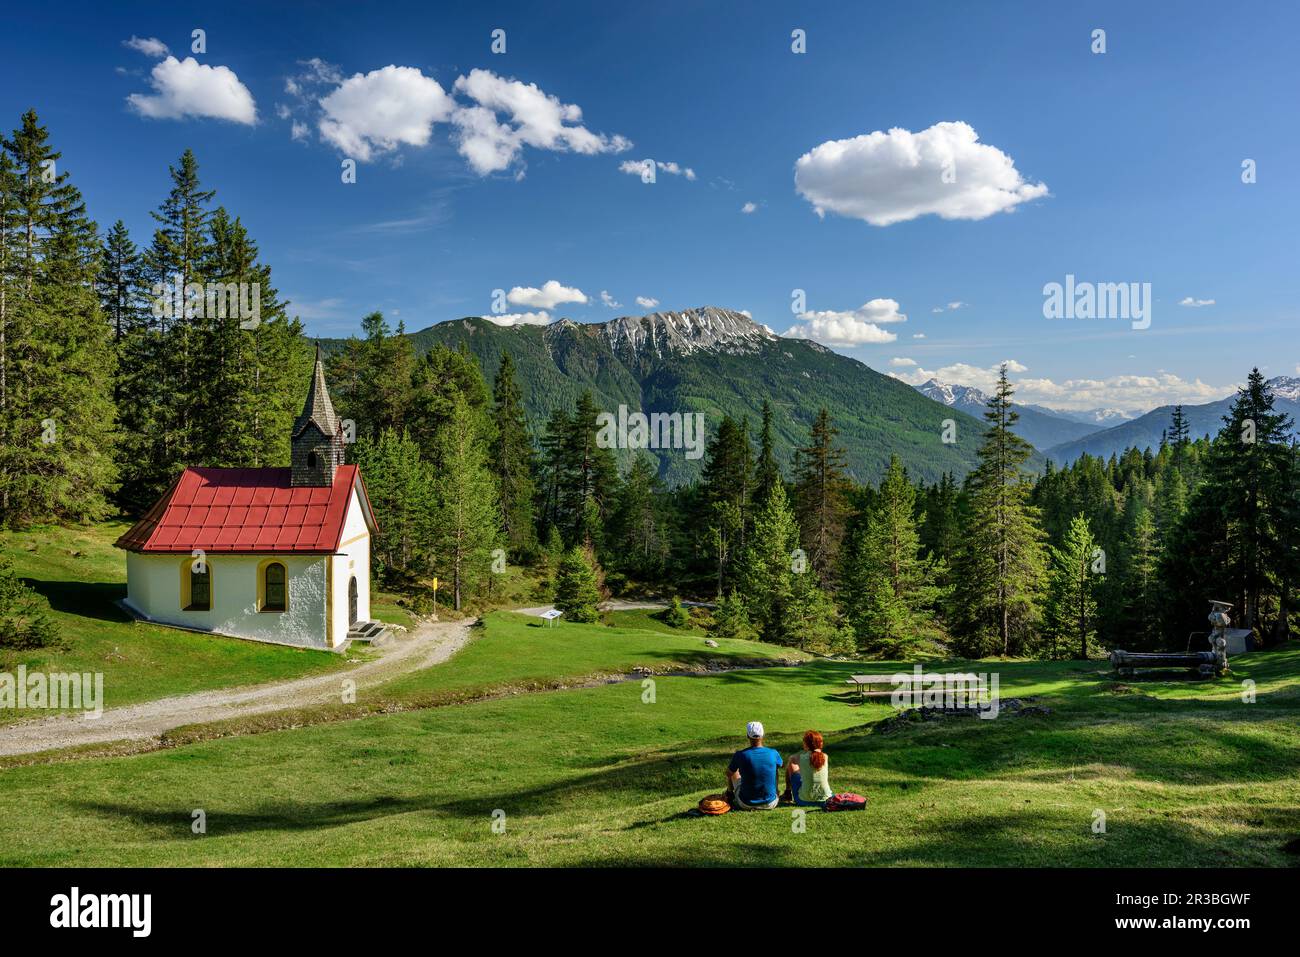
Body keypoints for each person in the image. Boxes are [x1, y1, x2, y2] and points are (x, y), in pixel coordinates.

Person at [726, 720, 783, 810]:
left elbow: (728, 773)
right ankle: (776, 790)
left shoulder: (740, 754)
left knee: (733, 771)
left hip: (745, 803)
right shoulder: (773, 753)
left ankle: (729, 794)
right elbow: (780, 765)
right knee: (775, 769)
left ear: (747, 736)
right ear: (763, 735)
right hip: (771, 803)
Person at [784, 730, 833, 807]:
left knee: (791, 763)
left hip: (803, 801)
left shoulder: (801, 758)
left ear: (806, 744)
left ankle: (787, 792)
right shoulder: (825, 756)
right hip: (826, 800)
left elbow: (791, 759)